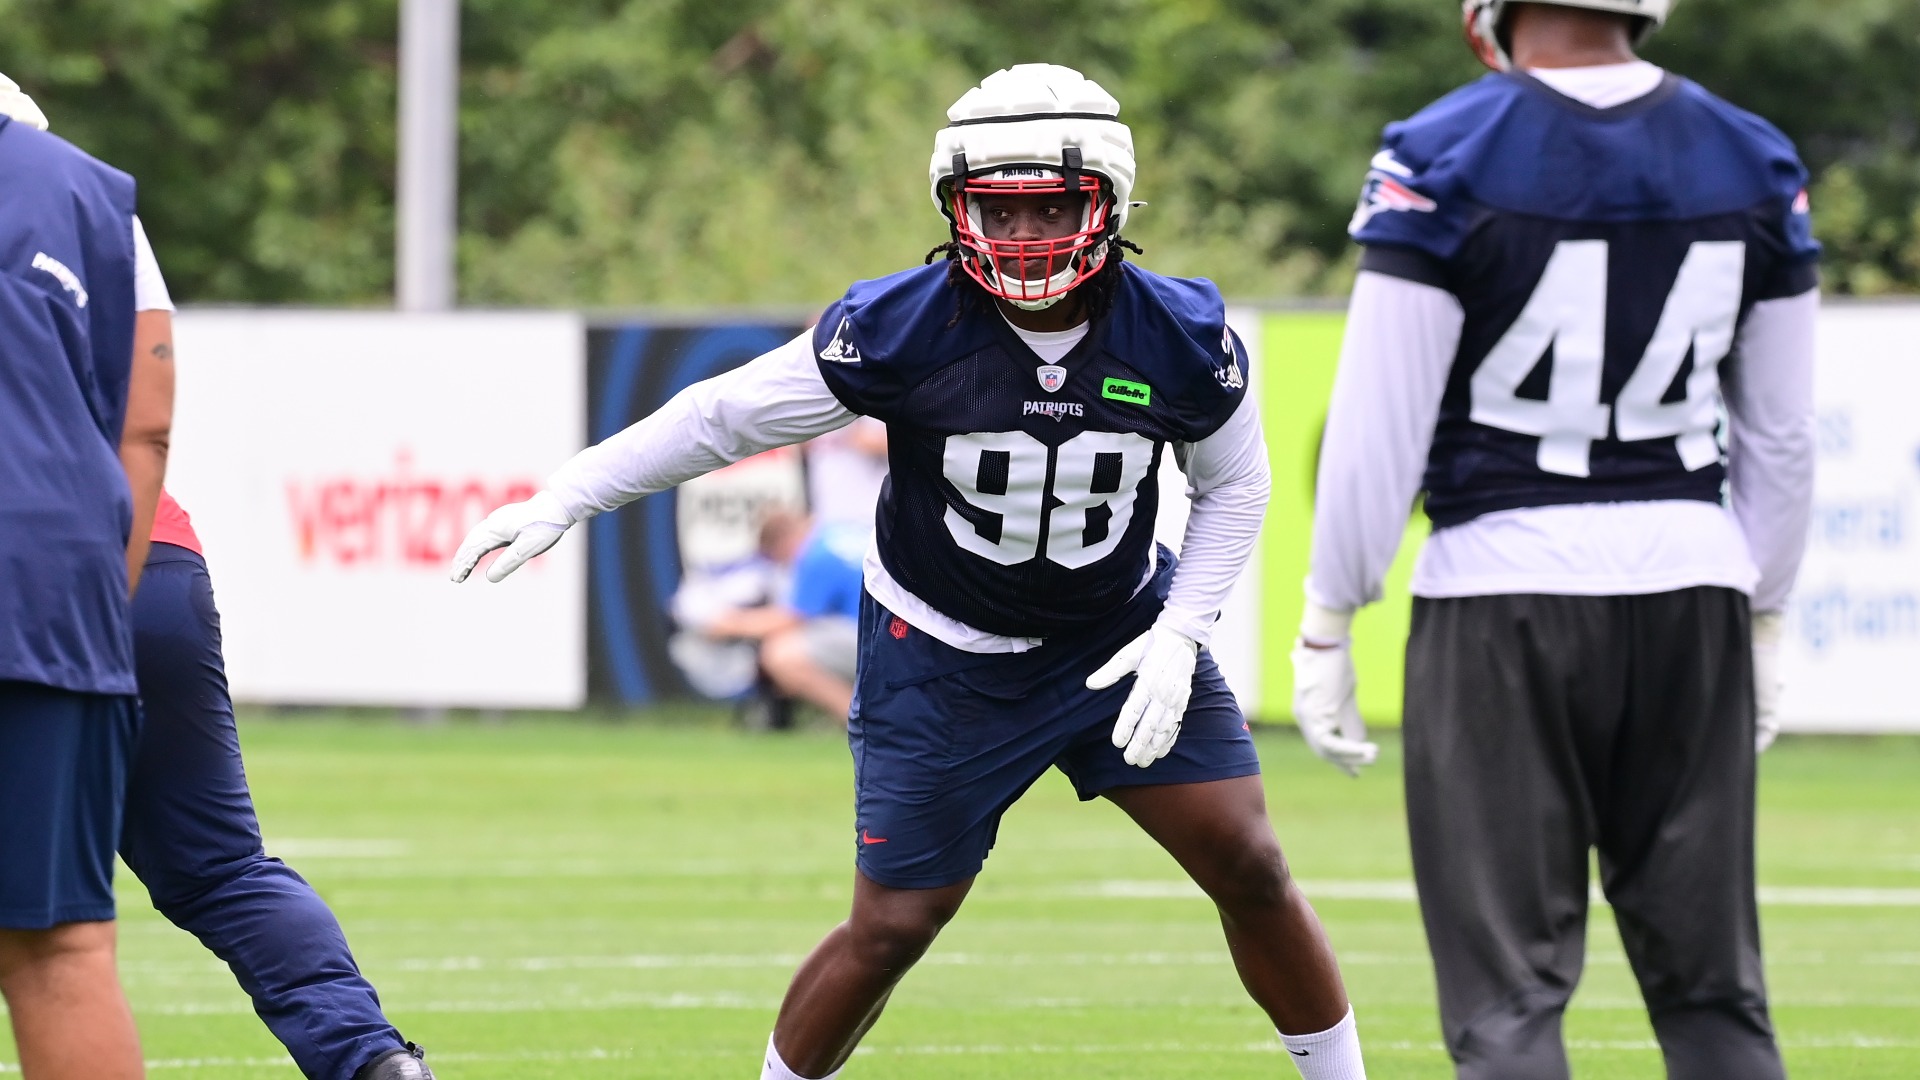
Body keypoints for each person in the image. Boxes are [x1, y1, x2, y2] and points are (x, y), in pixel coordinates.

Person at [456, 63, 1370, 1080]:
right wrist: (567, 494)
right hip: (942, 653)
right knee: (893, 926)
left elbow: (1235, 486)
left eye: (1053, 208)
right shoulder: (898, 327)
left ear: (1107, 200)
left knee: (1249, 861)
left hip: (1119, 633)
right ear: (954, 207)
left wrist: (1182, 628)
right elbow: (720, 420)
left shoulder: (1184, 335)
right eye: (998, 212)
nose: (1024, 239)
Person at [1291, 3, 1818, 1077]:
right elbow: (1783, 434)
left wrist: (1332, 608)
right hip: (1693, 581)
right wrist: (1764, 607)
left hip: (1502, 588)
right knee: (1716, 994)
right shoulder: (1752, 153)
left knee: (1508, 1002)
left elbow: (1377, 420)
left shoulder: (1445, 150)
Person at [0, 84, 435, 1080]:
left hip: (55, 598)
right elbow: (147, 422)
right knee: (216, 874)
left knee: (49, 946)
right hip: (139, 568)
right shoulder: (94, 203)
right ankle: (371, 1060)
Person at [0, 74, 161, 1080]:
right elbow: (142, 420)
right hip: (51, 582)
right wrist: (102, 601)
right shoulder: (88, 190)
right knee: (62, 948)